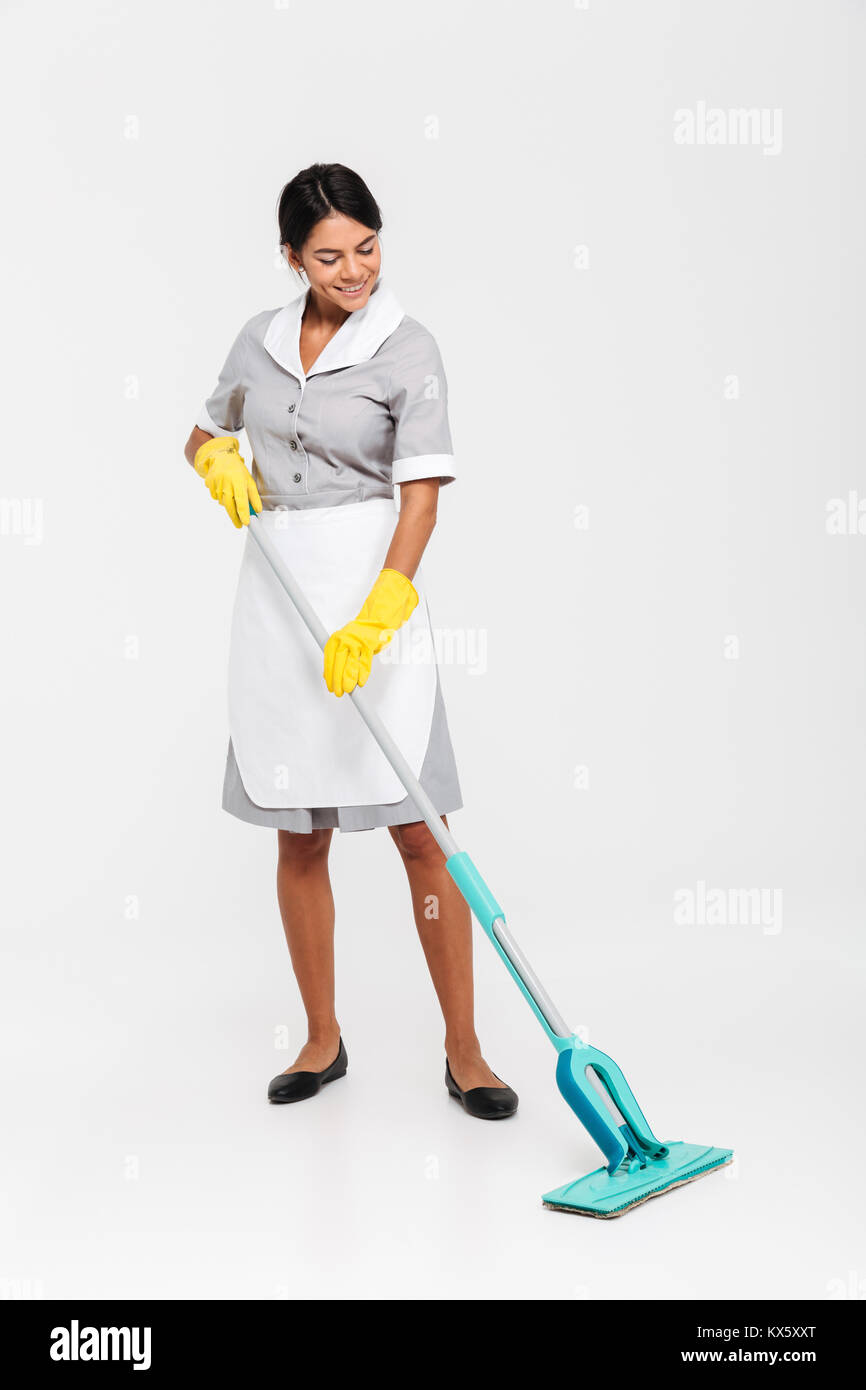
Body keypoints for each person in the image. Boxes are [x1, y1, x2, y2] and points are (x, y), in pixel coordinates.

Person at [184, 163, 517, 1120]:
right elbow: (201, 430)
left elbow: (421, 495)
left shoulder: (408, 349)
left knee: (420, 831)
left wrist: (383, 613)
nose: (353, 270)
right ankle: (322, 1038)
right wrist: (213, 459)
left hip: (371, 592)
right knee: (300, 830)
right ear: (290, 257)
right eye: (328, 256)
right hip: (278, 602)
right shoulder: (258, 339)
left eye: (366, 247)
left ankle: (467, 1049)